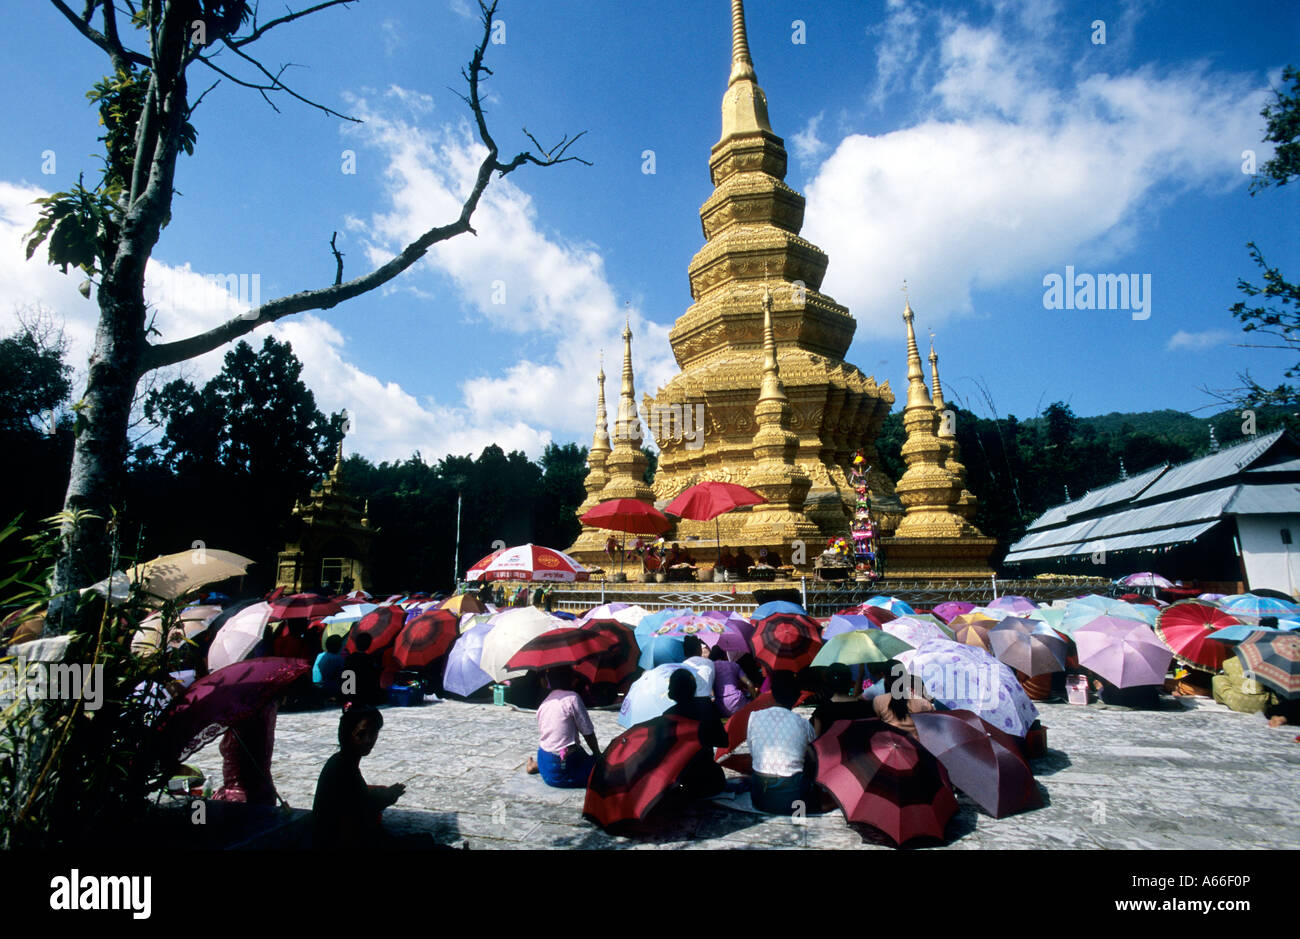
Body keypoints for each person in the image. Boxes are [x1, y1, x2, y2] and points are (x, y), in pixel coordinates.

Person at [312, 706, 407, 849]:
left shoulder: (342, 761)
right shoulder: (342, 767)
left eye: (373, 733)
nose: (368, 740)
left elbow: (353, 794)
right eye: (361, 734)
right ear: (347, 735)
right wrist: (386, 797)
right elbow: (359, 809)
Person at [746, 670, 816, 814]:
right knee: (810, 751)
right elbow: (816, 757)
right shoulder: (803, 724)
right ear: (797, 696)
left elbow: (753, 753)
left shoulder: (754, 717)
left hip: (759, 796)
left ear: (772, 693)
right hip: (793, 796)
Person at [525, 666, 601, 788]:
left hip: (545, 759)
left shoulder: (545, 702)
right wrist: (597, 754)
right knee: (601, 769)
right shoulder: (572, 698)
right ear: (571, 680)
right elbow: (587, 732)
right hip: (562, 771)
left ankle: (537, 765)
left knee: (575, 750)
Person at [662, 668, 727, 799]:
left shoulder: (668, 715)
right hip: (711, 780)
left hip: (683, 780)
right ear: (694, 687)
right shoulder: (706, 706)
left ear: (672, 692)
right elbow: (723, 741)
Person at [872, 660, 935, 736]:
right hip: (917, 746)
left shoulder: (878, 701)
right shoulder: (923, 703)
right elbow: (933, 725)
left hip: (892, 746)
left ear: (885, 678)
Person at [811, 663, 875, 736]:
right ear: (850, 682)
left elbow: (818, 742)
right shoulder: (866, 707)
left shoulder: (821, 711)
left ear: (828, 683)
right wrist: (860, 676)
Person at [342, 632, 384, 708]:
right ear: (369, 645)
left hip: (351, 695)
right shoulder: (369, 660)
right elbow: (373, 680)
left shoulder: (349, 659)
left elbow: (346, 679)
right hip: (365, 696)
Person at [711, 643, 754, 717]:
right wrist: (754, 699)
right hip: (739, 703)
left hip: (721, 707)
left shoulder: (710, 667)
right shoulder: (733, 665)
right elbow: (749, 684)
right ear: (724, 654)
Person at [679, 636, 715, 701]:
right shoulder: (710, 663)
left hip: (692, 702)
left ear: (685, 651)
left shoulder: (683, 665)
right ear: (699, 649)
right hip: (708, 701)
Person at [313, 634, 347, 702]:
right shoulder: (337, 658)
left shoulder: (320, 655)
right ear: (339, 646)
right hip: (330, 688)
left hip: (318, 686)